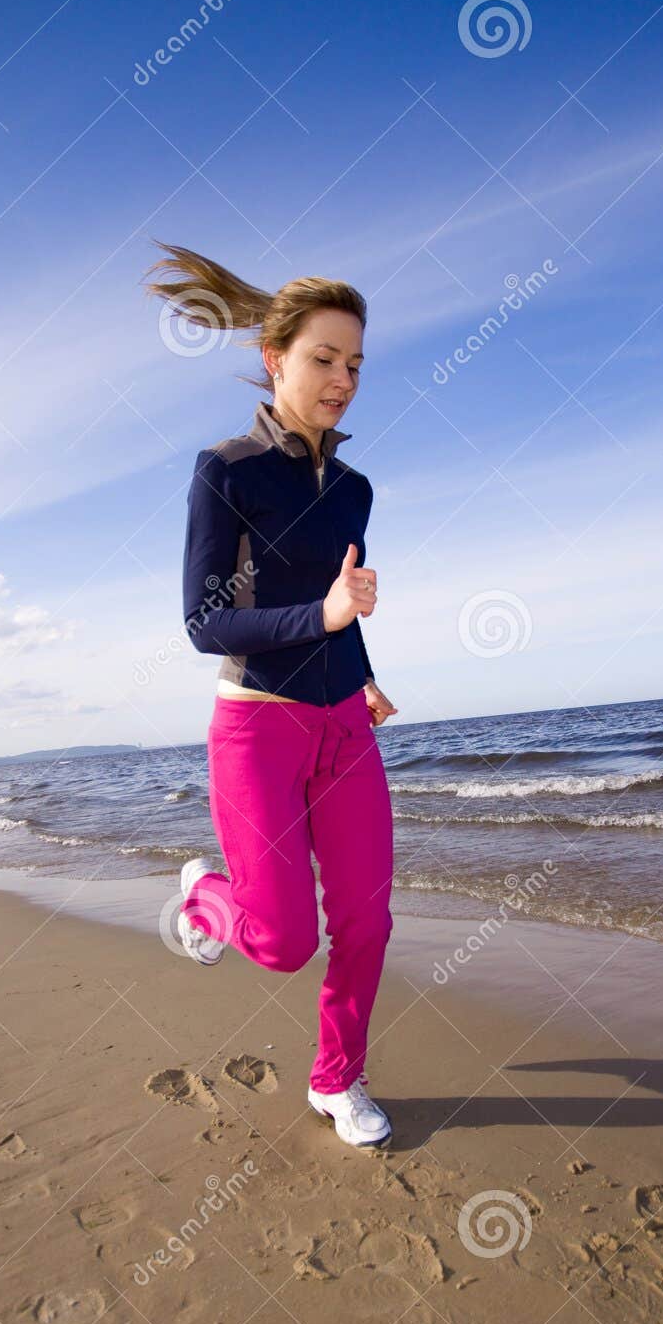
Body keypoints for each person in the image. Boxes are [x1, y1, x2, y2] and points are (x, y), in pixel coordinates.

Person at [143, 245, 399, 1153]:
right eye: (325, 359)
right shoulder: (226, 470)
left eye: (356, 364)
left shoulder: (357, 488)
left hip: (342, 723)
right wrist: (325, 615)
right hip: (256, 724)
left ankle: (337, 1080)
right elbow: (205, 624)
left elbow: (341, 593)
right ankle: (210, 893)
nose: (343, 379)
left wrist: (359, 664)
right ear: (274, 357)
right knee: (285, 941)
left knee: (367, 917)